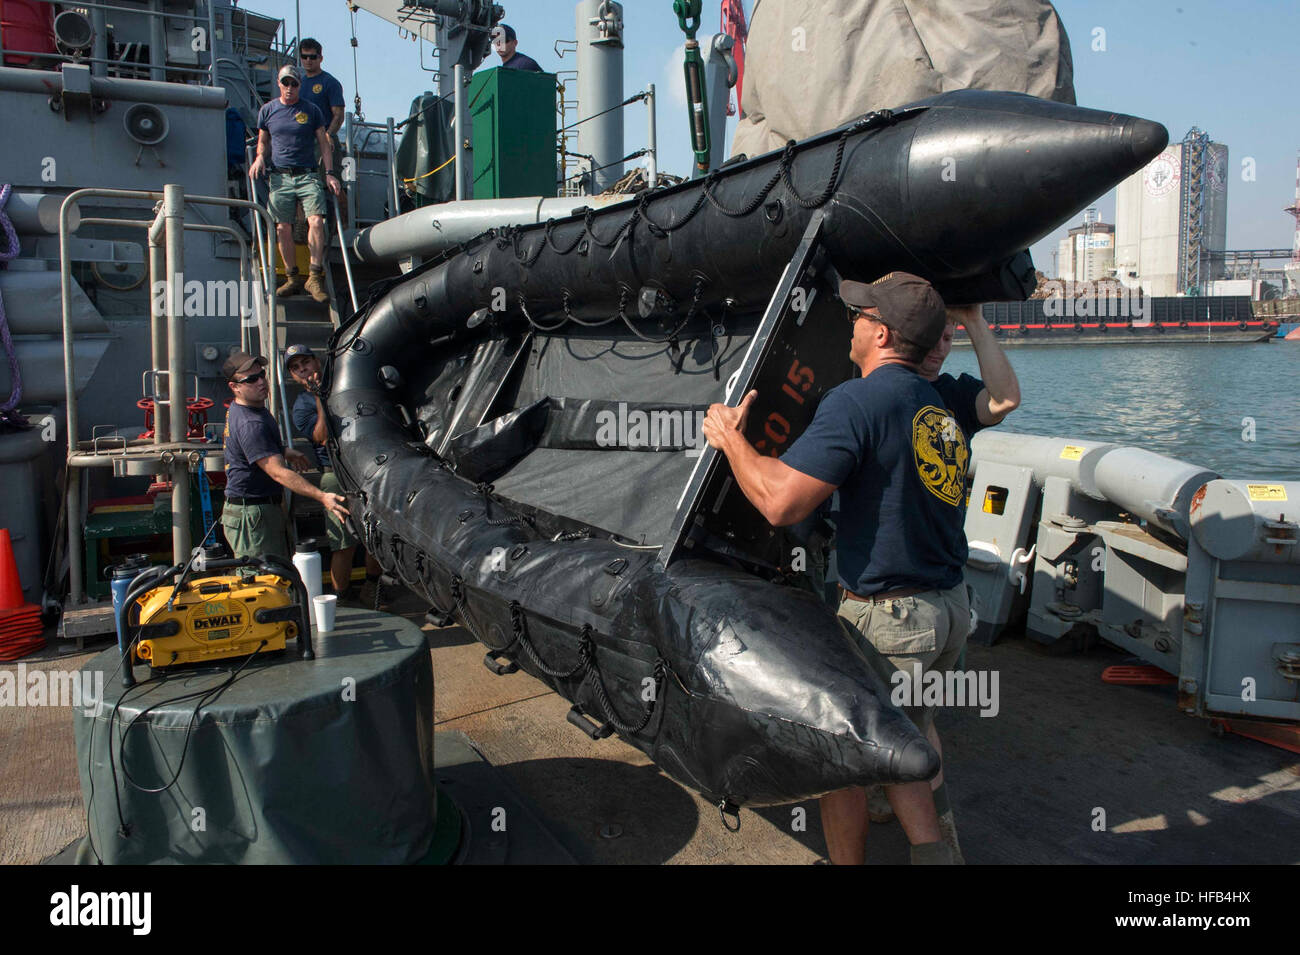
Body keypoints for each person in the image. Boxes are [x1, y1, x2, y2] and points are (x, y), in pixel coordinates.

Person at [701, 272, 978, 865]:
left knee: (844, 762)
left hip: (892, 616)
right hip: (949, 610)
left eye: (858, 315)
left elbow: (781, 503)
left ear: (879, 333)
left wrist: (731, 441)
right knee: (906, 748)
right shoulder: (936, 401)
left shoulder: (856, 399)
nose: (848, 323)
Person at [220, 350, 350, 563]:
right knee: (262, 582)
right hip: (253, 515)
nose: (261, 381)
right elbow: (278, 473)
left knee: (277, 575)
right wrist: (322, 496)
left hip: (259, 510)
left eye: (262, 374)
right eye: (251, 379)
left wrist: (283, 451)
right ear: (234, 387)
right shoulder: (251, 423)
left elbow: (248, 449)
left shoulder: (249, 409)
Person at [285, 344, 384, 602]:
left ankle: (372, 587)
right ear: (293, 377)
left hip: (366, 470)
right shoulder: (302, 406)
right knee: (343, 543)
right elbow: (321, 436)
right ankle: (342, 596)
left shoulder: (344, 385)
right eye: (295, 368)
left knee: (376, 535)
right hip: (335, 476)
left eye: (305, 362)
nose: (302, 369)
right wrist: (319, 397)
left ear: (317, 362)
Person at [249, 64, 341, 305]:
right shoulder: (268, 110)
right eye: (285, 83)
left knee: (317, 222)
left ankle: (313, 276)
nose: (289, 88)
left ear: (300, 85)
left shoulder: (311, 110)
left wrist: (329, 173)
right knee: (282, 228)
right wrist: (260, 157)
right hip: (280, 176)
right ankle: (292, 277)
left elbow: (324, 143)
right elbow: (263, 141)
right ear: (279, 84)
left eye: (294, 84)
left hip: (308, 175)